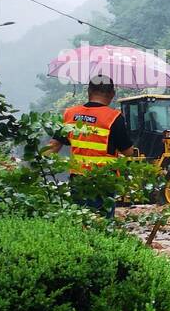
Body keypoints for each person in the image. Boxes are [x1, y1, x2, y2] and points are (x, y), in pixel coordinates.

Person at [46, 74, 137, 217]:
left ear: (88, 91)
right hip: (104, 180)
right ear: (112, 94)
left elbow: (53, 146)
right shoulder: (114, 117)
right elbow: (128, 152)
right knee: (102, 223)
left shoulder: (70, 114)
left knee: (80, 219)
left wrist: (39, 167)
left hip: (78, 179)